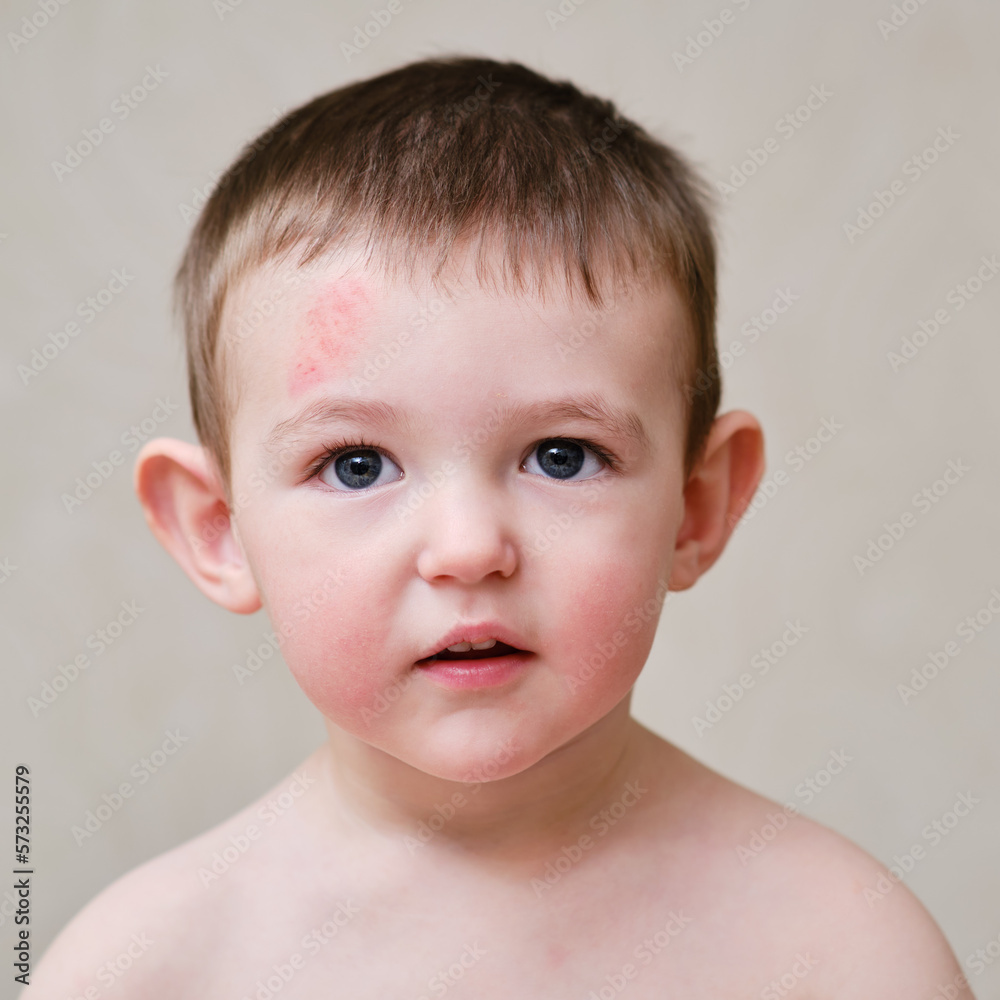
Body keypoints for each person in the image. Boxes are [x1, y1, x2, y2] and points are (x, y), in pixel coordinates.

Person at [29, 55, 973, 998]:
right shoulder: (146, 971)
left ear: (697, 505)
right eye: (357, 465)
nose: (470, 548)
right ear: (219, 529)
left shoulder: (844, 958)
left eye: (562, 455)